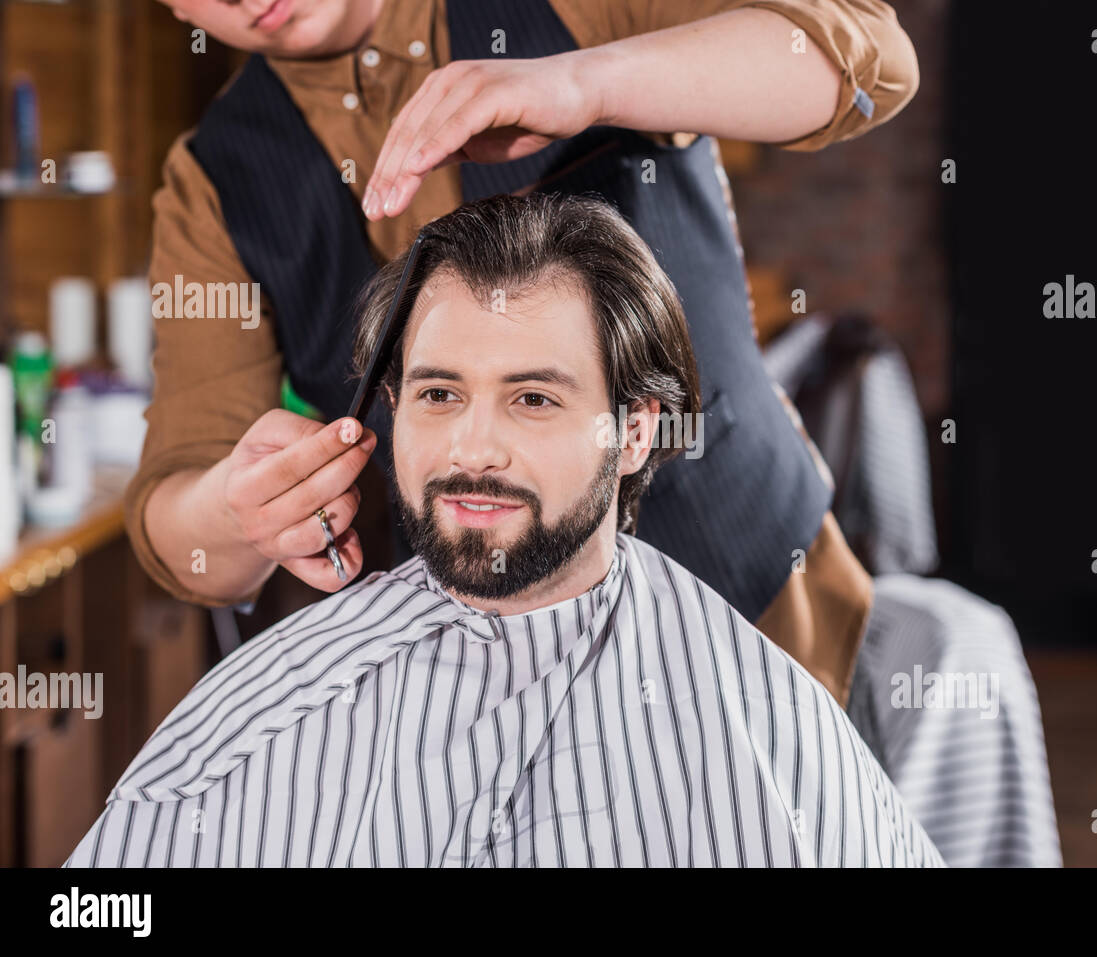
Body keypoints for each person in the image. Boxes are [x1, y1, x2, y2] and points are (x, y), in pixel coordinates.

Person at [65, 193, 943, 868]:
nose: (472, 447)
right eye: (439, 394)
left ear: (636, 429)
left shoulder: (762, 721)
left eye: (533, 398)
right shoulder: (268, 718)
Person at [130, 0, 920, 706]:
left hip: (759, 600)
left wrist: (587, 83)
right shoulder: (213, 183)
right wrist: (242, 510)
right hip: (493, 685)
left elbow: (868, 57)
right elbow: (184, 530)